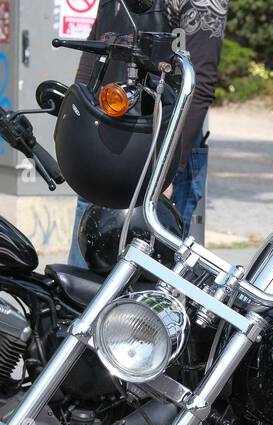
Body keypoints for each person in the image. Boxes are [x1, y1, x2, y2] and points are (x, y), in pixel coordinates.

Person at [69, 0, 229, 267]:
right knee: (85, 266)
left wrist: (166, 170)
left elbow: (198, 85)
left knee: (155, 276)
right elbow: (94, 48)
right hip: (103, 136)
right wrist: (76, 117)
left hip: (164, 143)